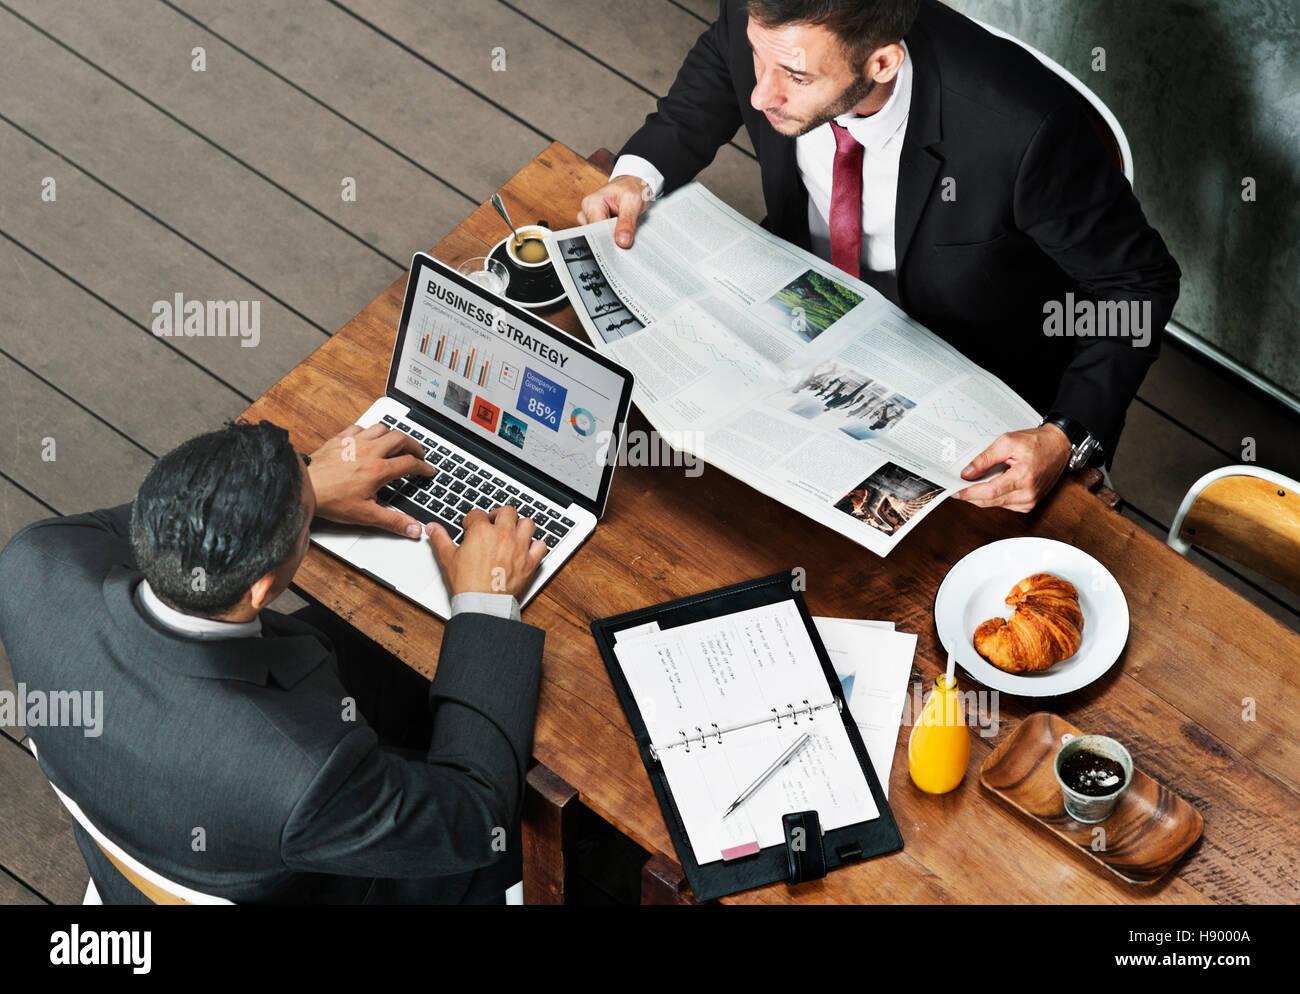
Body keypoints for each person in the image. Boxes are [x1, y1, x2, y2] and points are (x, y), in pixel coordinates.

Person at [578, 0, 1181, 512]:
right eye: (758, 57)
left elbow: (1140, 283)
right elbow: (719, 64)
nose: (762, 94)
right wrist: (637, 176)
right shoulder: (765, 18)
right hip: (796, 304)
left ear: (882, 61)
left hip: (968, 367)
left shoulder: (1022, 131)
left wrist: (1067, 433)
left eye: (794, 75)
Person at [0, 420, 547, 903]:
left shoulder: (34, 565)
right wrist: (486, 599)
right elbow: (477, 816)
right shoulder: (303, 780)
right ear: (261, 588)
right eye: (303, 531)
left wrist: (301, 486)